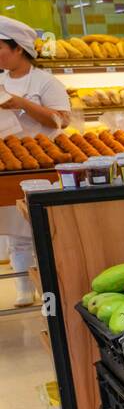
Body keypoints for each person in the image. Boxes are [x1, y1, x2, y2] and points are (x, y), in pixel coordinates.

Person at [0, 17, 70, 307]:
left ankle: (48, 289)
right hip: (9, 162)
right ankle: (23, 288)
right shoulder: (0, 80)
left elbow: (61, 119)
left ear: (18, 49)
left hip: (42, 163)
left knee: (40, 230)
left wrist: (22, 103)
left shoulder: (45, 81)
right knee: (15, 230)